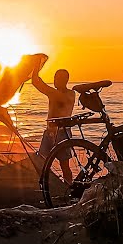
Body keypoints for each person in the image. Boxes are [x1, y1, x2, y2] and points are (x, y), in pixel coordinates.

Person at [30, 55, 77, 184]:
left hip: (62, 134)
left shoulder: (68, 94)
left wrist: (35, 66)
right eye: (54, 77)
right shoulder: (56, 93)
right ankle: (45, 186)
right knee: (42, 163)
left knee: (64, 166)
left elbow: (36, 82)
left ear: (65, 80)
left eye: (57, 78)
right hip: (49, 132)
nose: (54, 80)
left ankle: (68, 188)